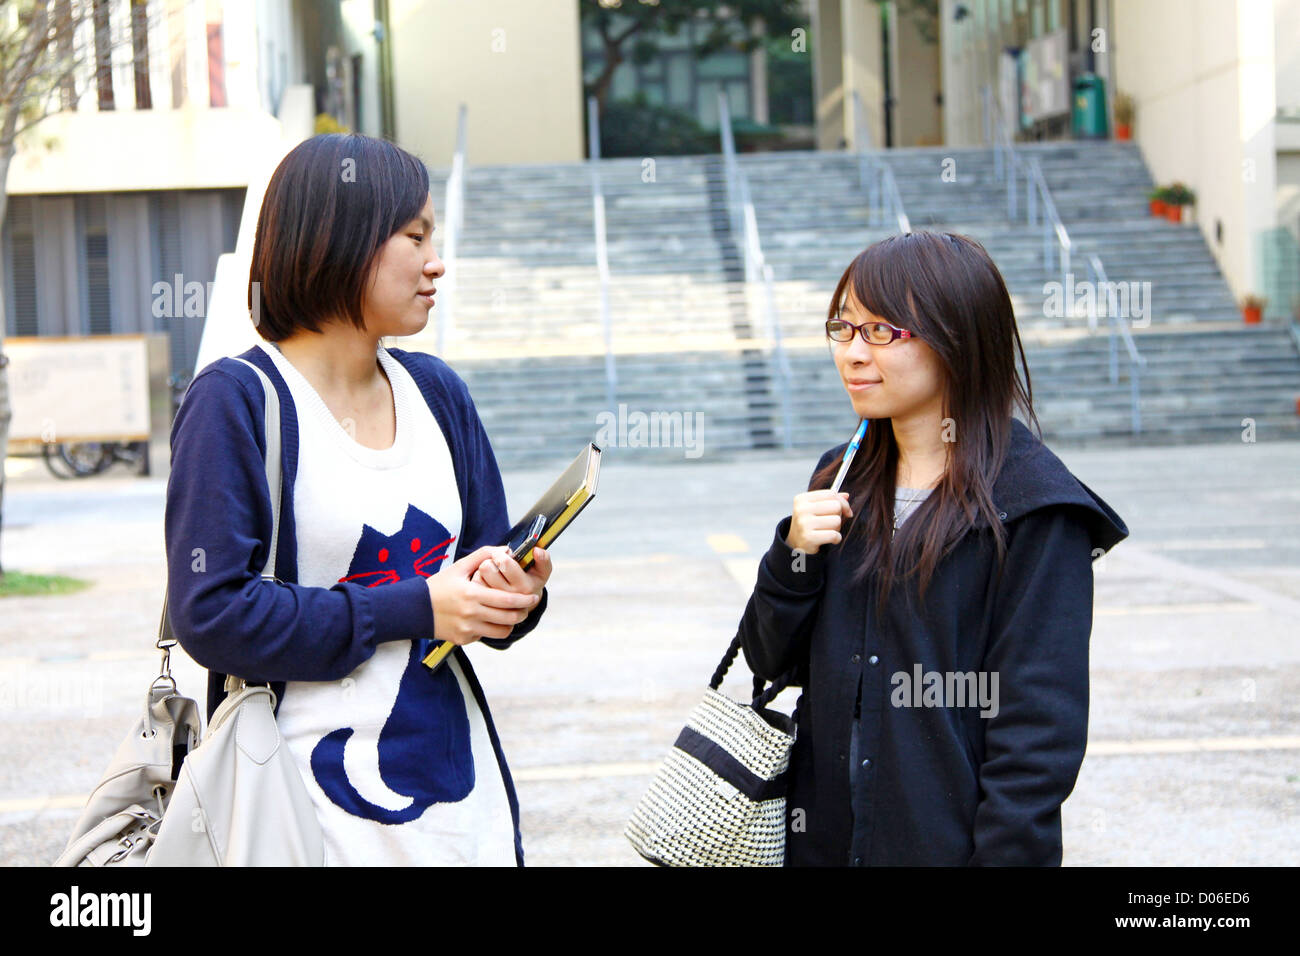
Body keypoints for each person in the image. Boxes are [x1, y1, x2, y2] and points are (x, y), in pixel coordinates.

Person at [164, 133, 551, 866]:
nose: (436, 261)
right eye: (414, 236)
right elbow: (210, 613)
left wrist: (513, 595)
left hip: (458, 809)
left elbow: (478, 589)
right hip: (299, 810)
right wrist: (418, 606)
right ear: (338, 240)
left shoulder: (438, 392)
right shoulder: (238, 402)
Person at [736, 231, 1128, 866]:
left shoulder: (1032, 507)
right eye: (843, 328)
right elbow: (766, 659)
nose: (853, 355)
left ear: (956, 338)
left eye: (882, 332)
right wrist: (794, 555)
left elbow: (1037, 737)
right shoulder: (840, 477)